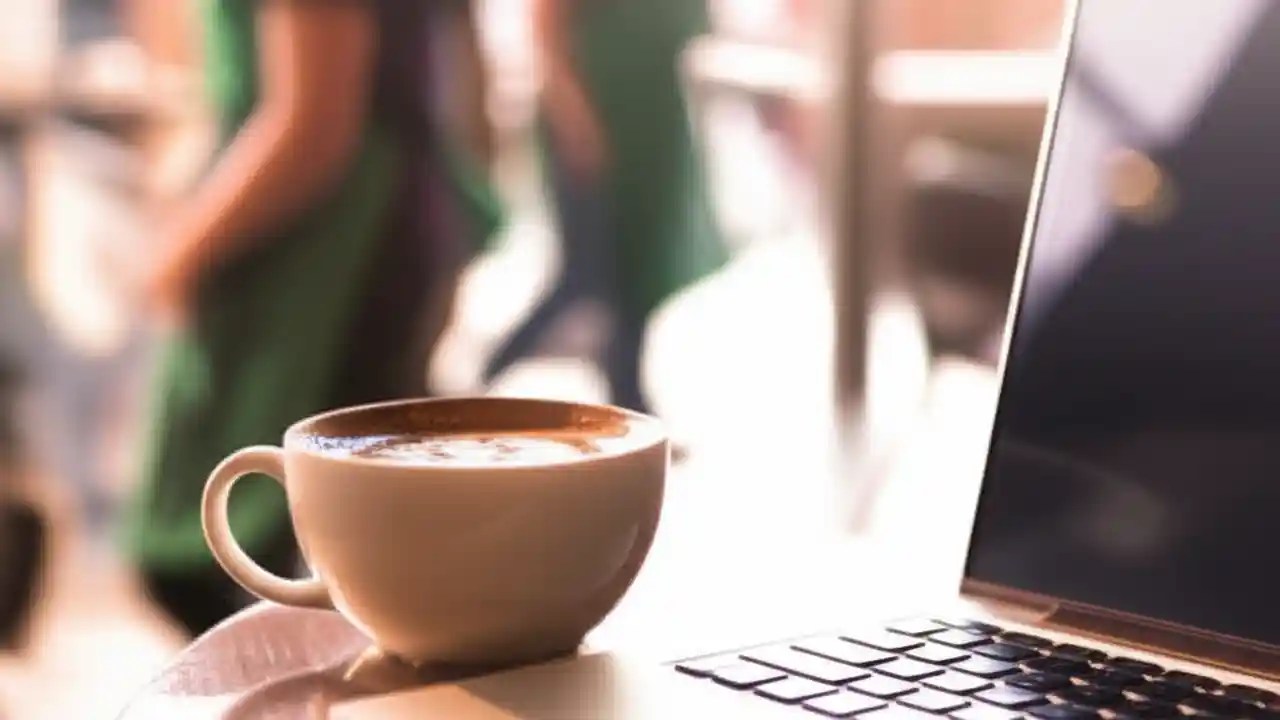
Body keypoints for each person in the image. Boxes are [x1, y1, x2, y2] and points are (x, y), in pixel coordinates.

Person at [125, 0, 500, 637]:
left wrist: (180, 255)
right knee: (366, 556)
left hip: (326, 259)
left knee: (225, 561)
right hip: (373, 229)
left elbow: (315, 122)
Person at [483, 0, 729, 415]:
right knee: (582, 277)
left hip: (653, 132)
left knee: (637, 280)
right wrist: (576, 124)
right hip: (593, 133)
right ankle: (483, 376)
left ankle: (629, 408)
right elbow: (545, 34)